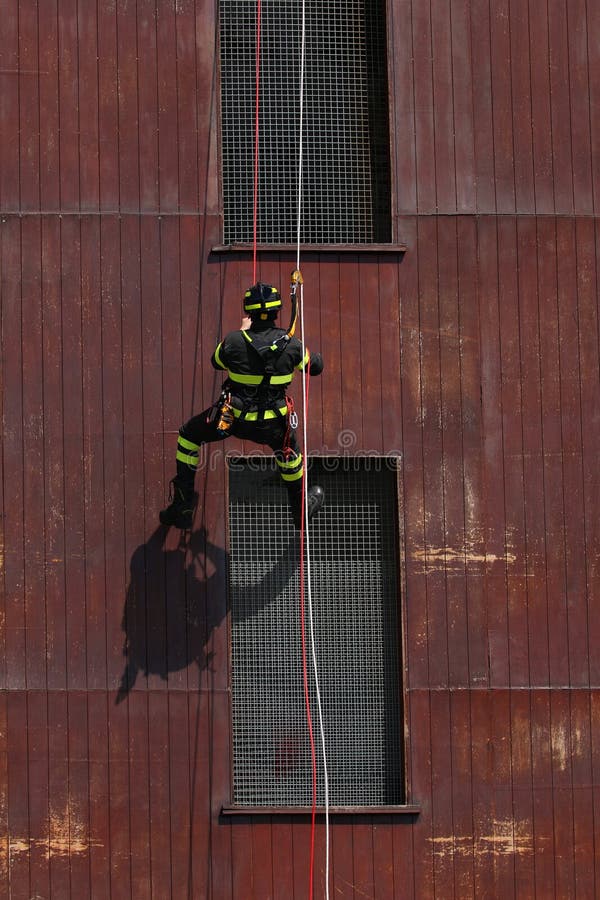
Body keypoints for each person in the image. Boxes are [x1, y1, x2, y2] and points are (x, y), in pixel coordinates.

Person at [160, 281, 325, 530]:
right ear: (277, 311)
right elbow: (316, 367)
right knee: (289, 455)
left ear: (248, 311)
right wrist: (300, 350)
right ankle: (300, 510)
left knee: (188, 436)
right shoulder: (291, 344)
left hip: (232, 421)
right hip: (273, 426)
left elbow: (216, 361)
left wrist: (242, 331)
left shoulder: (234, 340)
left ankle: (182, 505)